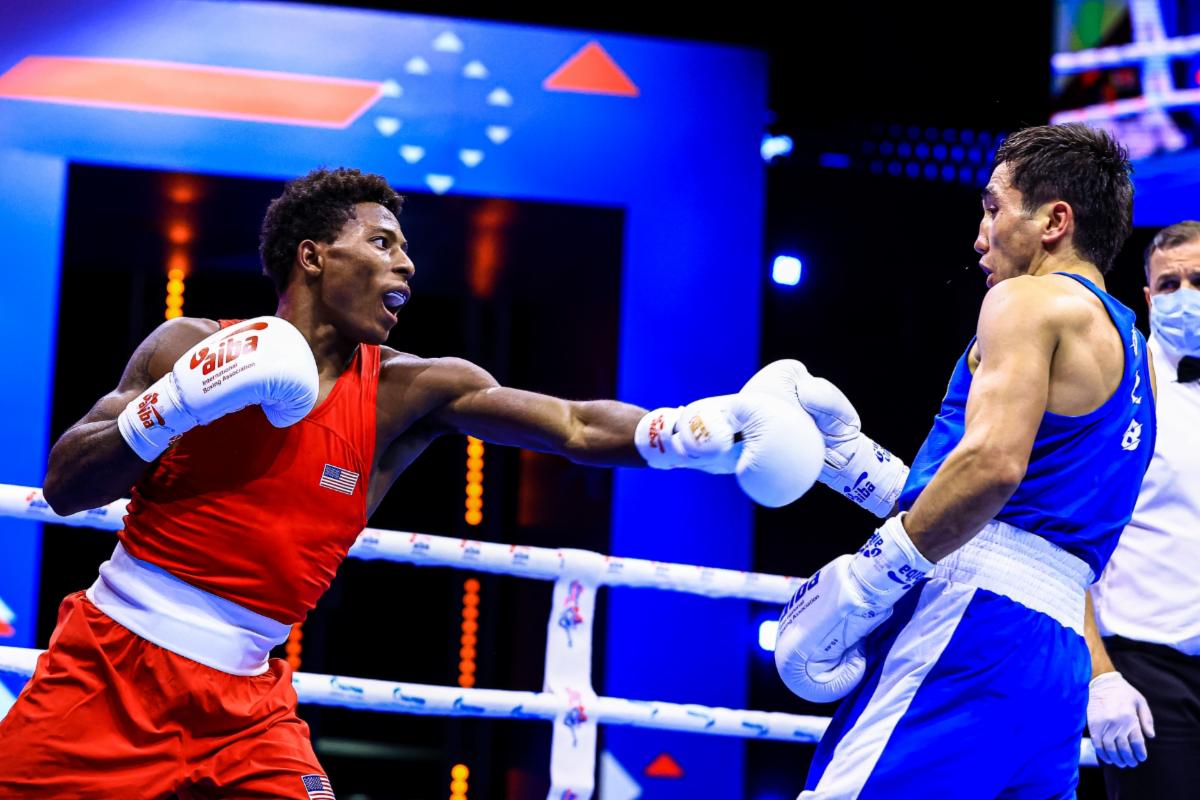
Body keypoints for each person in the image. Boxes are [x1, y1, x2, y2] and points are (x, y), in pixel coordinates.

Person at [0, 167, 821, 799]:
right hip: (109, 671)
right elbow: (67, 484)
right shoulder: (189, 345)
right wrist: (173, 405)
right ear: (314, 255)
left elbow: (571, 424)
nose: (408, 263)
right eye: (383, 242)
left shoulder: (408, 392)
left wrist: (681, 435)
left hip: (249, 705)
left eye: (405, 247)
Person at [754, 123, 1156, 798]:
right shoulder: (1134, 352)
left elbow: (992, 469)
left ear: (1055, 221)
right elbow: (1021, 519)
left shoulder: (1024, 300)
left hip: (968, 626)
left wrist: (871, 577)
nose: (979, 236)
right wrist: (848, 460)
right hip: (1057, 660)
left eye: (994, 208)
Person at [1085, 220, 1200, 798]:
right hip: (1149, 671)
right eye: (1171, 283)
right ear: (1150, 298)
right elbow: (1063, 543)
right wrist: (1100, 674)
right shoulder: (1119, 391)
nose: (1187, 295)